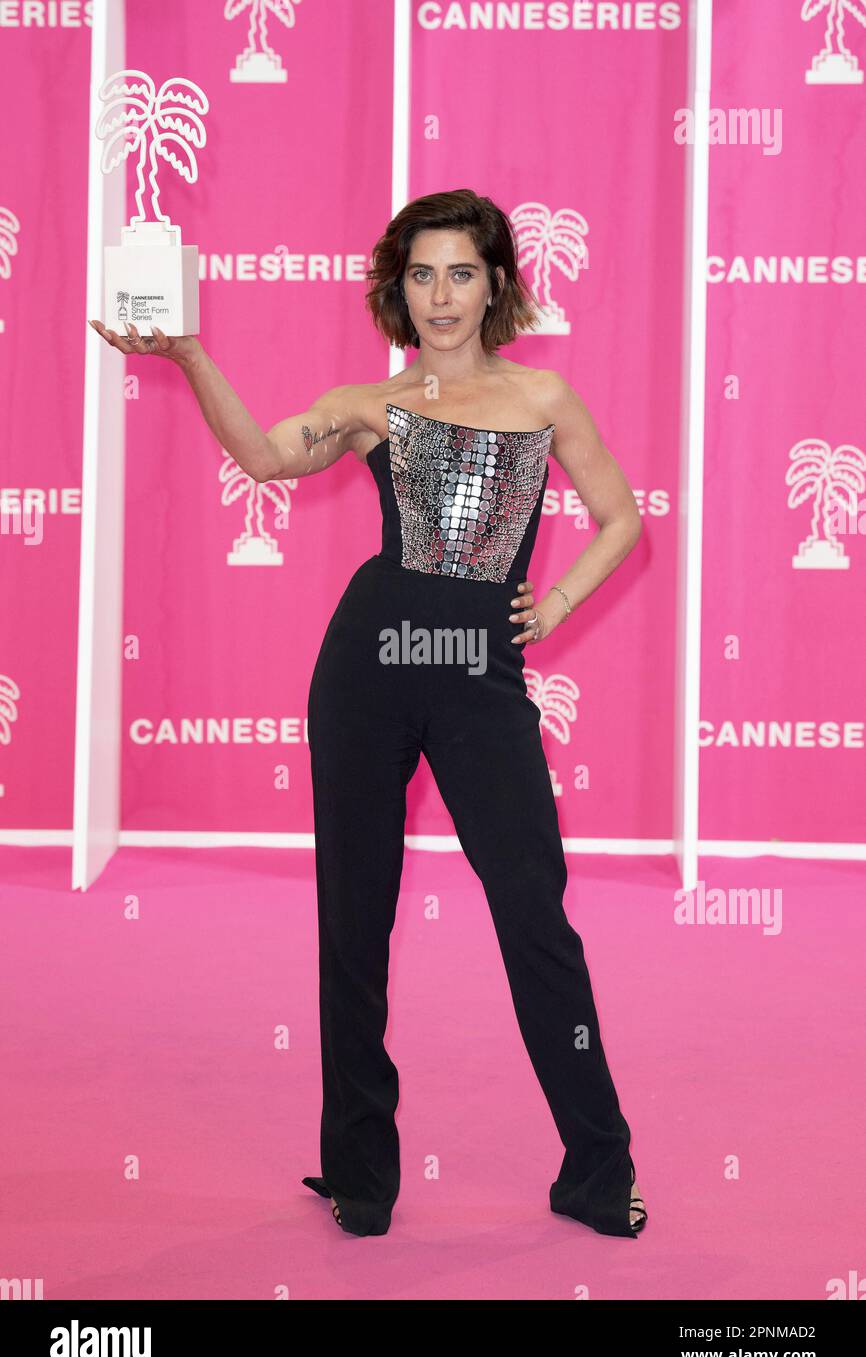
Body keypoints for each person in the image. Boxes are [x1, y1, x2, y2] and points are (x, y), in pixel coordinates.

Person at [89, 187, 647, 1240]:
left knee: (534, 913)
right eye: (421, 275)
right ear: (398, 289)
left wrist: (557, 602)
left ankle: (594, 1166)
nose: (440, 295)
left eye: (460, 273)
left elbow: (618, 517)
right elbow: (261, 456)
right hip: (368, 664)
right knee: (355, 916)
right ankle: (359, 1172)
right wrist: (191, 355)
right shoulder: (365, 404)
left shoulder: (542, 398)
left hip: (481, 678)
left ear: (496, 284)